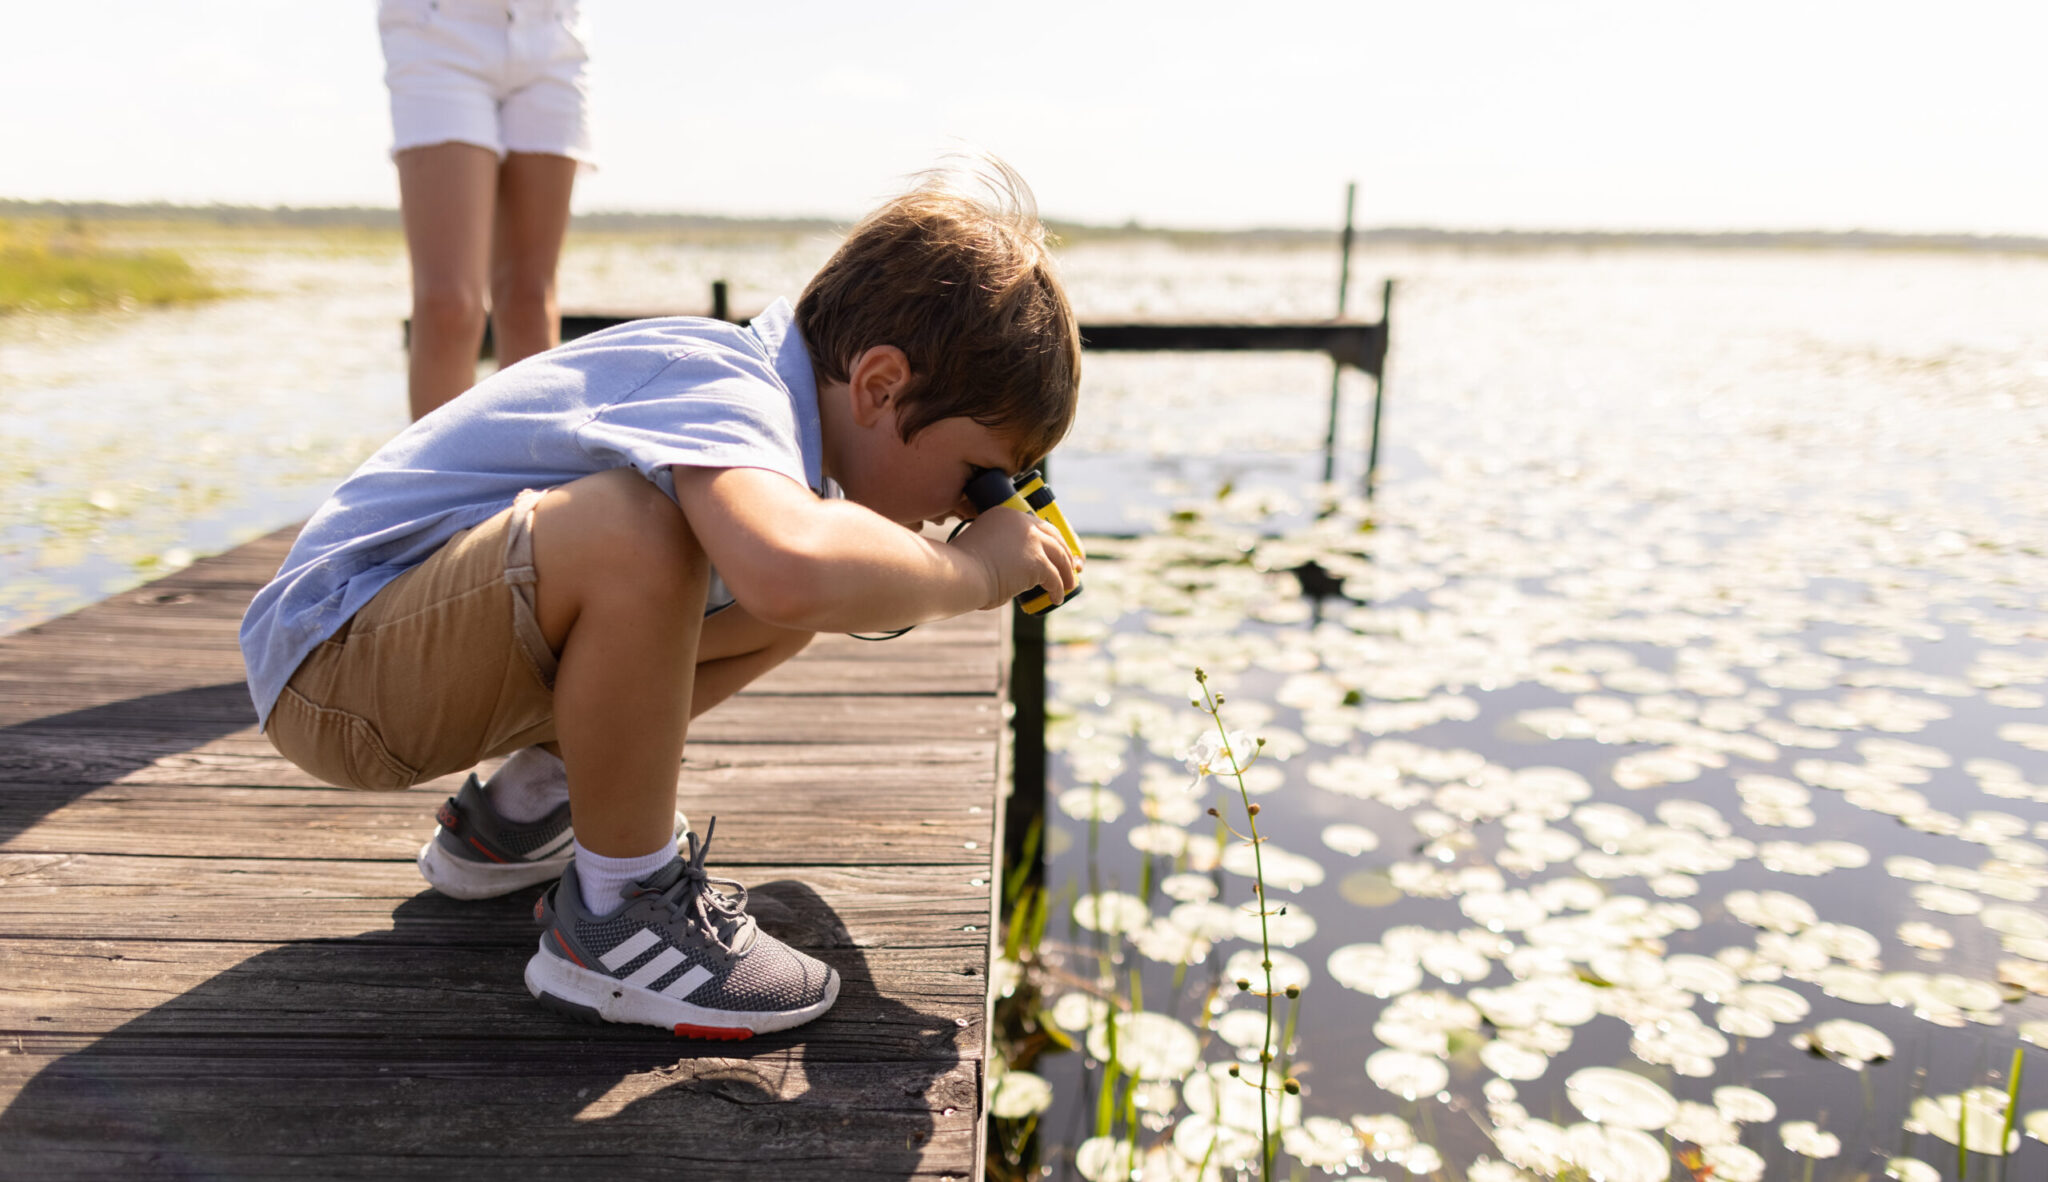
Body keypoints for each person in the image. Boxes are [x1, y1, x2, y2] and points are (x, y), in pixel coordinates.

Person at [238, 159, 1082, 1037]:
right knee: (645, 529)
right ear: (878, 386)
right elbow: (789, 565)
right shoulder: (722, 382)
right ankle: (618, 916)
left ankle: (530, 809)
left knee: (801, 581)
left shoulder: (769, 427)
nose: (964, 507)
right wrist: (976, 571)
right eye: (978, 475)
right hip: (335, 667)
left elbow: (809, 581)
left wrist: (912, 567)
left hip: (395, 667)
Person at [379, 0, 594, 420]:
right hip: (438, 29)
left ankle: (526, 479)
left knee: (530, 299)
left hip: (552, 30)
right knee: (448, 305)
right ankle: (437, 484)